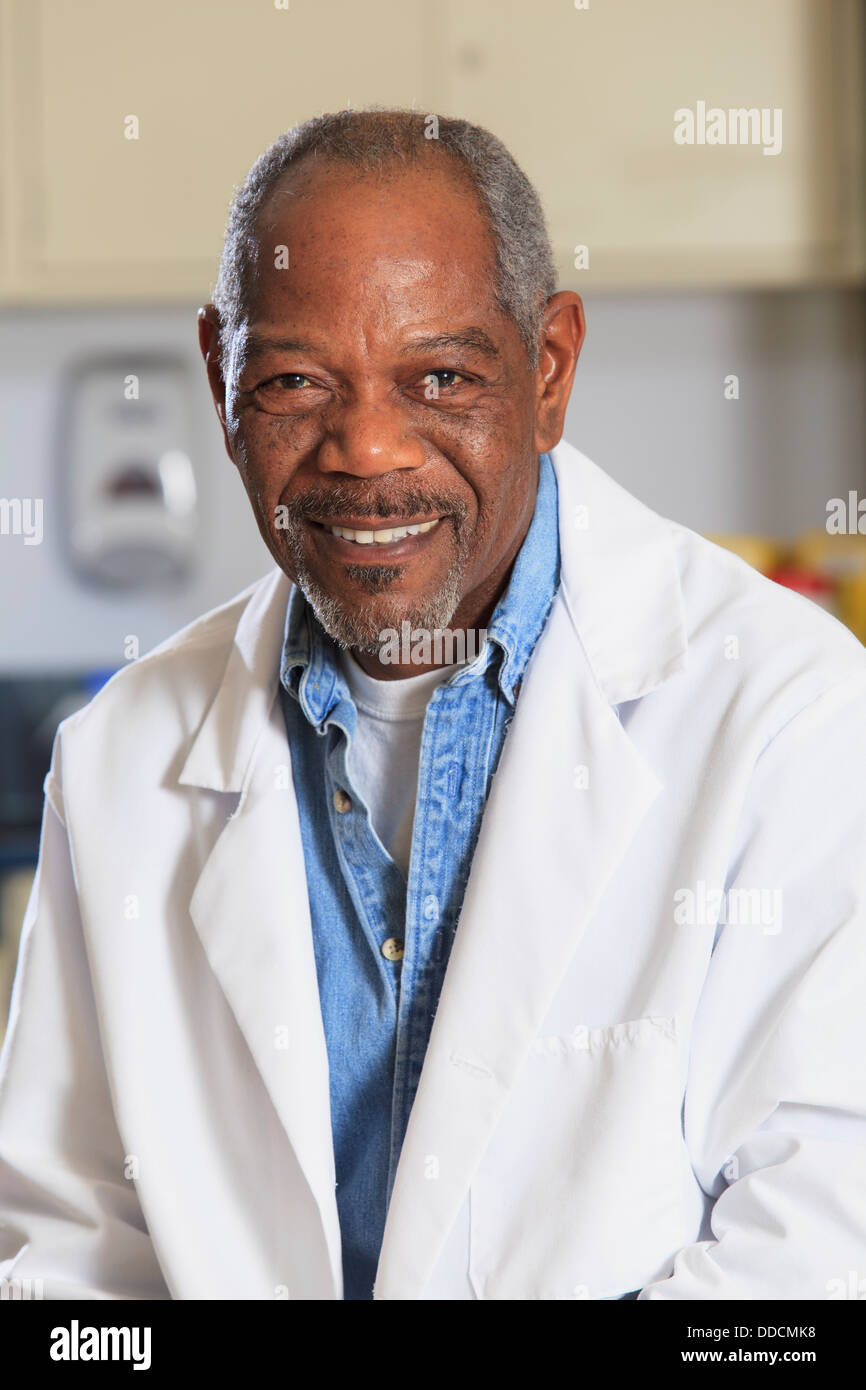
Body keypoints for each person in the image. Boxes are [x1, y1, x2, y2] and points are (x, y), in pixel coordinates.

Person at [1, 108, 865, 1302]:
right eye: (297, 380)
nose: (365, 450)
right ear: (219, 375)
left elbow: (812, 1270)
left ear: (549, 369)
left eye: (440, 377)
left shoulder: (788, 716)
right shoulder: (117, 764)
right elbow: (62, 1259)